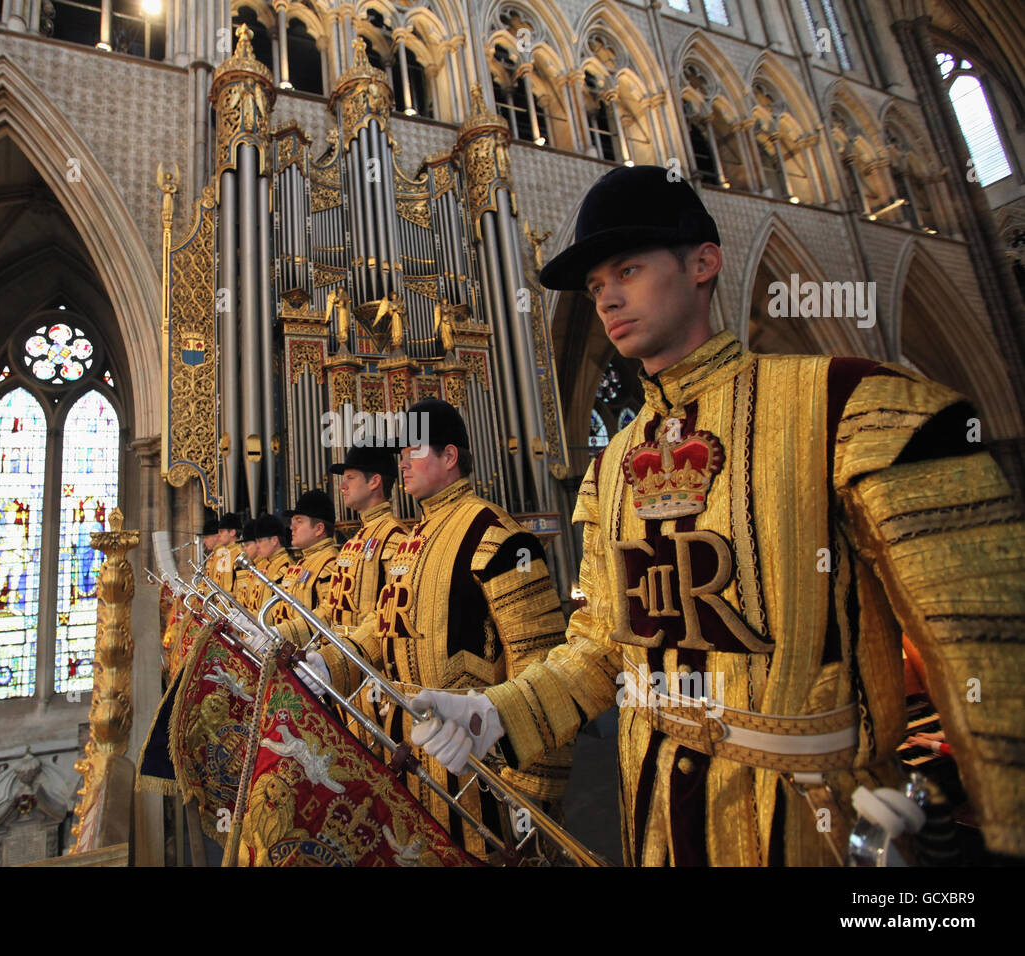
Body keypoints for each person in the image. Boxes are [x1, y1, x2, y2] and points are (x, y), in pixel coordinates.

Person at [409, 163, 1025, 865]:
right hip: (657, 825)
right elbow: (604, 650)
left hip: (819, 827)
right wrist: (495, 712)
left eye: (628, 270)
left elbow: (985, 648)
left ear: (704, 263)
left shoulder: (852, 407)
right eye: (595, 286)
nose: (607, 298)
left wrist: (992, 832)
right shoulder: (610, 468)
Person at [322, 398, 571, 858]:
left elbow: (539, 659)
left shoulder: (496, 534)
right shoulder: (414, 539)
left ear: (449, 456)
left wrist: (529, 797)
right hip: (413, 753)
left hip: (478, 766)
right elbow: (383, 626)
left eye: (413, 449)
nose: (402, 461)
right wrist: (329, 662)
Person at [315, 446, 408, 696]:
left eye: (350, 478)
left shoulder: (396, 537)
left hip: (372, 674)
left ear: (374, 481)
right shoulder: (354, 541)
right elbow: (330, 608)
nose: (342, 486)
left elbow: (390, 615)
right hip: (341, 664)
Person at [272, 489, 340, 644]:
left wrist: (282, 632)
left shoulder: (330, 563)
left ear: (319, 529)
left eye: (299, 521)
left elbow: (329, 615)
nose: (291, 527)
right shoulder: (303, 562)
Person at [241, 514, 293, 615]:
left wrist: (251, 618)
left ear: (274, 540)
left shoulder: (285, 565)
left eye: (260, 541)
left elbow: (280, 609)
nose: (257, 546)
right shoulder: (267, 564)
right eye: (256, 541)